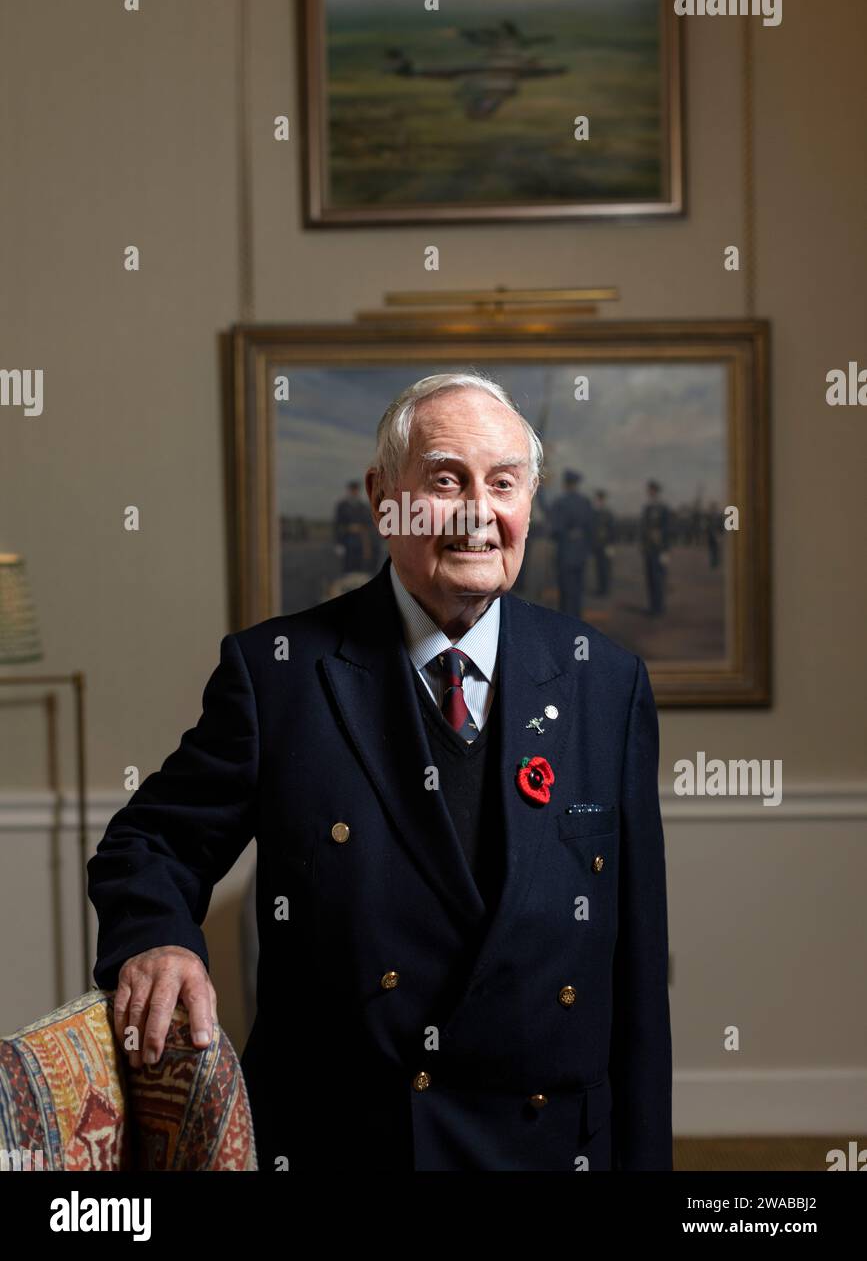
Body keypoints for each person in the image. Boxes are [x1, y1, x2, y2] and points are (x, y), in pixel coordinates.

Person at [87, 372, 672, 1172]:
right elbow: (150, 843)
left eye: (503, 483)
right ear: (380, 497)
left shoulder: (605, 683)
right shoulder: (279, 673)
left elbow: (636, 982)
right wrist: (159, 941)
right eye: (444, 480)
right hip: (347, 1147)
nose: (478, 511)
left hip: (553, 1148)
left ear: (528, 503)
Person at [548, 469, 595, 619]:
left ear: (565, 484)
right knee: (578, 589)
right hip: (580, 553)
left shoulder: (561, 503)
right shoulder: (585, 502)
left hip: (565, 552)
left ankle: (567, 623)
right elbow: (590, 528)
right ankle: (577, 618)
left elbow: (555, 530)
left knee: (565, 590)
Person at [640, 480, 672, 616]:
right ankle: (652, 607)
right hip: (649, 549)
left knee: (659, 579)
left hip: (659, 549)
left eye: (653, 490)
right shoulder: (647, 508)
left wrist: (666, 550)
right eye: (649, 490)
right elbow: (643, 528)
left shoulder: (664, 508)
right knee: (650, 579)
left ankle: (659, 608)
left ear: (657, 492)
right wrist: (643, 546)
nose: (651, 493)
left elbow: (669, 529)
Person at [333, 479, 376, 572]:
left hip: (360, 542)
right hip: (347, 541)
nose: (354, 492)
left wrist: (367, 546)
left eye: (356, 490)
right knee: (347, 568)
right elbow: (337, 526)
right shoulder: (342, 506)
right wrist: (338, 544)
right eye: (352, 489)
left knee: (360, 568)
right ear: (349, 491)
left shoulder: (363, 507)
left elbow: (368, 526)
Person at [591, 489, 616, 597]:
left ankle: (606, 589)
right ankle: (601, 588)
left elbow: (613, 530)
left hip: (606, 545)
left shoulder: (608, 513)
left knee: (606, 568)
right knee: (599, 567)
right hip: (598, 545)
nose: (599, 501)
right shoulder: (595, 513)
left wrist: (611, 545)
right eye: (598, 499)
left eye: (600, 499)